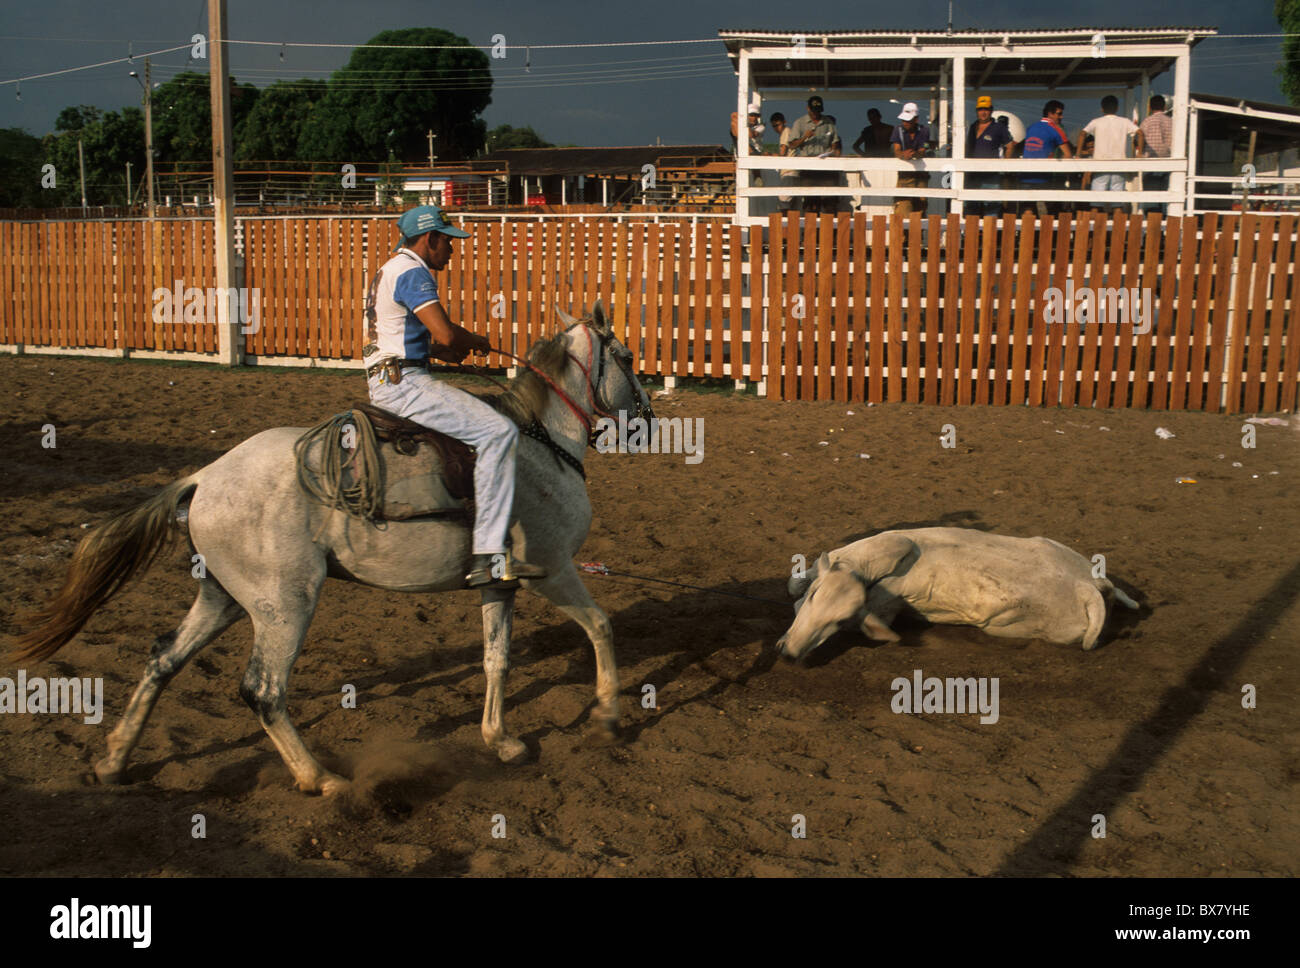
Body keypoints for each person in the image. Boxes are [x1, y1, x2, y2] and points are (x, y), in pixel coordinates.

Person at [363, 205, 546, 588]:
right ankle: (489, 555)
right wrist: (471, 341)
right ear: (429, 239)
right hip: (404, 386)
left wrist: (437, 352)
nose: (452, 248)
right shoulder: (414, 272)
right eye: (447, 240)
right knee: (499, 432)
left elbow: (397, 336)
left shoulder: (388, 269)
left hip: (389, 376)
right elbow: (445, 332)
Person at [1078, 95, 1140, 212]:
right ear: (1117, 108)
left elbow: (1082, 134)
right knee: (1117, 204)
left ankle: (1093, 229)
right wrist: (1139, 153)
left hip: (1100, 167)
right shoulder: (1125, 122)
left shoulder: (1096, 122)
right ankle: (1118, 230)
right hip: (1118, 167)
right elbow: (1140, 133)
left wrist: (1077, 154)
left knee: (1096, 204)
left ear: (1102, 108)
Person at [787, 95, 842, 214]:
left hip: (826, 167)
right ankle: (811, 232)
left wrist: (833, 153)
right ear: (808, 108)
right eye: (813, 110)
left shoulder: (828, 123)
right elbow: (791, 144)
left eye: (818, 110)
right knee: (810, 203)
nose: (815, 113)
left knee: (830, 202)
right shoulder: (800, 123)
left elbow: (835, 142)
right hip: (808, 168)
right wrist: (804, 137)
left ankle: (829, 232)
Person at [1020, 100, 1073, 216]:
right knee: (1053, 212)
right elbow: (1068, 154)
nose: (1061, 117)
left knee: (1028, 210)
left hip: (1025, 175)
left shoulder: (1031, 127)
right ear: (1050, 113)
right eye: (1059, 113)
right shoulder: (1056, 129)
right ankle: (1052, 234)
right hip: (1044, 177)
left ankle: (1029, 234)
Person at [965, 95, 1016, 216]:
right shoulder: (972, 127)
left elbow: (1010, 145)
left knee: (991, 207)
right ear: (977, 111)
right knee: (971, 207)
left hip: (991, 175)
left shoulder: (999, 127)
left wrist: (1004, 165)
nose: (983, 112)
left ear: (991, 110)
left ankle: (990, 234)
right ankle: (972, 234)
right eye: (980, 109)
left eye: (986, 109)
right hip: (973, 174)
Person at [890, 102, 931, 216]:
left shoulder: (924, 130)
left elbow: (923, 150)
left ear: (916, 119)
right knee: (902, 209)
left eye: (908, 120)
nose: (905, 123)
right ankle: (902, 234)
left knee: (920, 210)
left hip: (921, 176)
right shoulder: (897, 130)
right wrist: (903, 155)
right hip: (904, 176)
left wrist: (916, 154)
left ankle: (918, 233)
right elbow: (896, 150)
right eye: (903, 120)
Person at [1139, 95, 1172, 213]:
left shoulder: (1147, 121)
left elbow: (1139, 139)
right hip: (1168, 163)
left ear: (1150, 106)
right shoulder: (1171, 121)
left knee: (1150, 196)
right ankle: (1165, 219)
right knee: (1166, 194)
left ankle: (1151, 221)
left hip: (1150, 162)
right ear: (1164, 106)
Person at [771, 112, 798, 212]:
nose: (776, 128)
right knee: (790, 202)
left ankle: (785, 225)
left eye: (778, 125)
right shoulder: (787, 132)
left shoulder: (786, 132)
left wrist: (769, 155)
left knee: (784, 202)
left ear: (784, 122)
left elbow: (782, 153)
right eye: (774, 126)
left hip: (788, 171)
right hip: (791, 171)